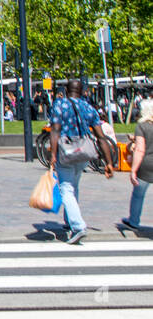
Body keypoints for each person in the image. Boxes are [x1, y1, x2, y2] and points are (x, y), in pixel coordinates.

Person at [49, 79, 115, 244]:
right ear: (82, 91)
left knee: (66, 189)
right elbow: (101, 137)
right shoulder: (88, 107)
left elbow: (55, 129)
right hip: (84, 152)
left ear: (66, 90)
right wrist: (108, 162)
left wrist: (53, 154)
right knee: (74, 186)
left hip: (67, 151)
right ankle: (69, 222)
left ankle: (78, 226)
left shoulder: (60, 105)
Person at [122, 99, 153, 233]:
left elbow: (140, 150)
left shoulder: (142, 127)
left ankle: (134, 221)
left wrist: (133, 170)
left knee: (138, 194)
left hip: (146, 164)